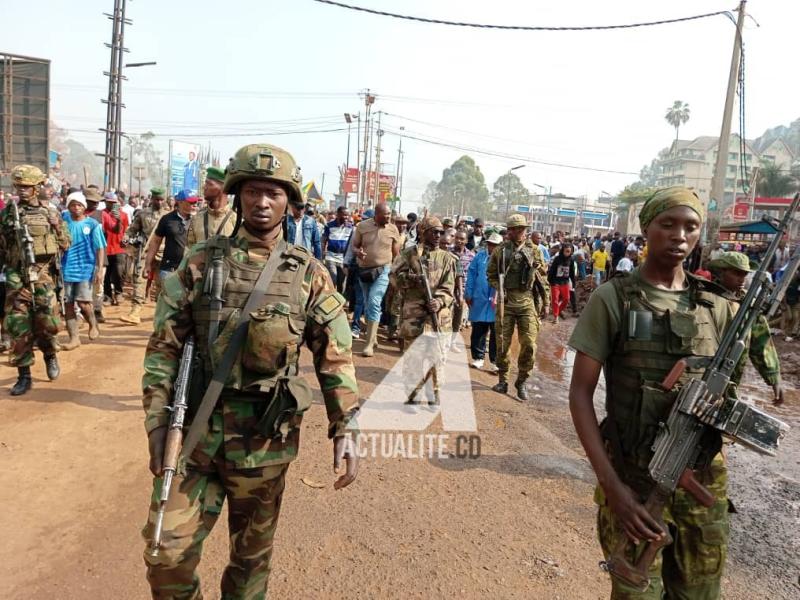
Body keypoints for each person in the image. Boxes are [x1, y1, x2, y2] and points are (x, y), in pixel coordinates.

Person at [141, 143, 359, 598]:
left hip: (264, 443)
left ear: (288, 202)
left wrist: (346, 427)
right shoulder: (200, 262)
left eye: (274, 194)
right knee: (166, 556)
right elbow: (163, 348)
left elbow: (334, 357)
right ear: (238, 195)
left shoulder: (309, 275)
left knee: (249, 566)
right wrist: (158, 422)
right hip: (195, 436)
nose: (263, 202)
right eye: (254, 191)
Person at [567, 186, 747, 600]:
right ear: (646, 228)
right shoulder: (614, 299)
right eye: (668, 224)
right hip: (634, 477)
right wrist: (612, 487)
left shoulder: (718, 307)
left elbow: (729, 394)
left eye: (691, 226)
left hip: (702, 479)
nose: (679, 236)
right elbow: (580, 395)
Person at [0, 165, 71, 395]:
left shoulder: (49, 212)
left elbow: (65, 242)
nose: (22, 191)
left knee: (47, 323)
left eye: (27, 187)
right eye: (19, 186)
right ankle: (24, 376)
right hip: (16, 275)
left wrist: (54, 229)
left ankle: (50, 355)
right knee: (18, 325)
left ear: (37, 187)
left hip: (42, 274)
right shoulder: (9, 214)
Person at [391, 216, 456, 404]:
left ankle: (434, 394)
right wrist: (411, 279)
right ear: (423, 232)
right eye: (433, 232)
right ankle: (413, 395)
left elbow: (449, 287)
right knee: (413, 359)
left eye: (440, 232)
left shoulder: (447, 258)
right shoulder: (409, 254)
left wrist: (440, 301)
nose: (438, 235)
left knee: (438, 358)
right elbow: (393, 278)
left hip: (438, 318)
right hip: (414, 316)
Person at [707, 251, 783, 404]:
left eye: (744, 274)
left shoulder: (748, 304)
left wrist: (774, 379)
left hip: (729, 376)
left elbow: (761, 342)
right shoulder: (704, 297)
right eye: (736, 273)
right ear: (721, 272)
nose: (742, 279)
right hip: (702, 372)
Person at [487, 213, 548, 401]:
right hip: (507, 301)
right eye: (515, 229)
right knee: (502, 343)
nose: (519, 232)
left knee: (529, 344)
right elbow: (490, 274)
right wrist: (500, 288)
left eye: (522, 229)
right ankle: (503, 380)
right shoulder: (500, 251)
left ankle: (521, 381)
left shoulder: (535, 250)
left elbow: (543, 278)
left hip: (526, 301)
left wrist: (546, 303)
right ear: (510, 231)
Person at [351, 202, 400, 356]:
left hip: (384, 270)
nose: (388, 218)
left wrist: (394, 271)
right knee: (368, 303)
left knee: (374, 300)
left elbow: (396, 254)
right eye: (385, 215)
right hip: (364, 270)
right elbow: (354, 246)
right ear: (376, 215)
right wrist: (358, 253)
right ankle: (373, 336)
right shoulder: (362, 226)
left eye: (389, 215)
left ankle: (369, 344)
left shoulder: (393, 229)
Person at [59, 192, 105, 350]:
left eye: (79, 205)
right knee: (68, 304)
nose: (76, 208)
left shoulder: (92, 224)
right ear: (68, 206)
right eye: (73, 205)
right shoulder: (63, 221)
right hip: (66, 269)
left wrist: (99, 269)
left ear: (84, 207)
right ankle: (74, 338)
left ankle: (93, 324)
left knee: (84, 303)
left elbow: (100, 248)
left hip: (85, 269)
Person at [120, 187, 169, 325]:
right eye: (156, 199)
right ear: (152, 199)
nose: (159, 202)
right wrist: (126, 237)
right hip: (146, 251)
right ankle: (135, 312)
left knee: (162, 285)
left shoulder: (169, 216)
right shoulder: (142, 214)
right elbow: (132, 229)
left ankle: (161, 314)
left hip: (164, 254)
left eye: (161, 199)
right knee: (140, 280)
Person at [465, 231, 502, 371]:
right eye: (491, 244)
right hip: (479, 297)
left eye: (496, 245)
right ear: (488, 244)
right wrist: (468, 293)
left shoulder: (503, 259)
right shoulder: (479, 257)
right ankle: (478, 357)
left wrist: (499, 296)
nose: (493, 247)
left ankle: (495, 361)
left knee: (496, 331)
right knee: (479, 329)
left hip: (496, 300)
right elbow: (471, 274)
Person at [143, 191, 197, 282]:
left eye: (195, 203)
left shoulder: (197, 220)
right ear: (180, 202)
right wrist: (148, 264)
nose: (194, 205)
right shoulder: (167, 219)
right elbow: (156, 242)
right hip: (169, 269)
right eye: (190, 203)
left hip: (191, 270)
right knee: (166, 295)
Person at [186, 166, 234, 246]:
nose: (204, 187)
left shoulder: (236, 221)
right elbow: (188, 252)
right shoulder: (197, 219)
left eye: (209, 184)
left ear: (224, 188)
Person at [101, 192, 129, 306]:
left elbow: (127, 231)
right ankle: (107, 296)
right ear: (105, 202)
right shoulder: (102, 214)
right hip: (105, 247)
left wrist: (126, 239)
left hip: (119, 247)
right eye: (109, 202)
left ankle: (118, 293)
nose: (112, 205)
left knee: (118, 272)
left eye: (114, 202)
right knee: (106, 274)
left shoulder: (123, 215)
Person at [322, 205, 353, 293]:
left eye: (347, 215)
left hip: (343, 259)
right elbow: (324, 240)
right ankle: (329, 300)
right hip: (330, 257)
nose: (346, 217)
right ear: (338, 214)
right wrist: (323, 253)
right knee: (333, 279)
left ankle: (339, 303)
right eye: (344, 215)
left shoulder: (350, 227)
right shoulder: (329, 225)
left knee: (341, 283)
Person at [450, 230, 474, 340]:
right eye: (457, 238)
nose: (459, 241)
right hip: (448, 289)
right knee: (446, 317)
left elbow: (473, 274)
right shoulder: (447, 252)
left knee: (458, 319)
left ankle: (453, 342)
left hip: (462, 291)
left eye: (462, 239)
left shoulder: (471, 256)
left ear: (466, 241)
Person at [547, 242, 576, 322]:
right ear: (562, 251)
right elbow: (552, 270)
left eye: (569, 251)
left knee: (566, 299)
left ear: (571, 252)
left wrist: (573, 282)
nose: (567, 253)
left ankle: (557, 311)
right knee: (555, 299)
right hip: (555, 282)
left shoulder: (571, 260)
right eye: (566, 251)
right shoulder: (557, 259)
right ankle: (556, 317)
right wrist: (549, 281)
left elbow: (572, 272)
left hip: (565, 282)